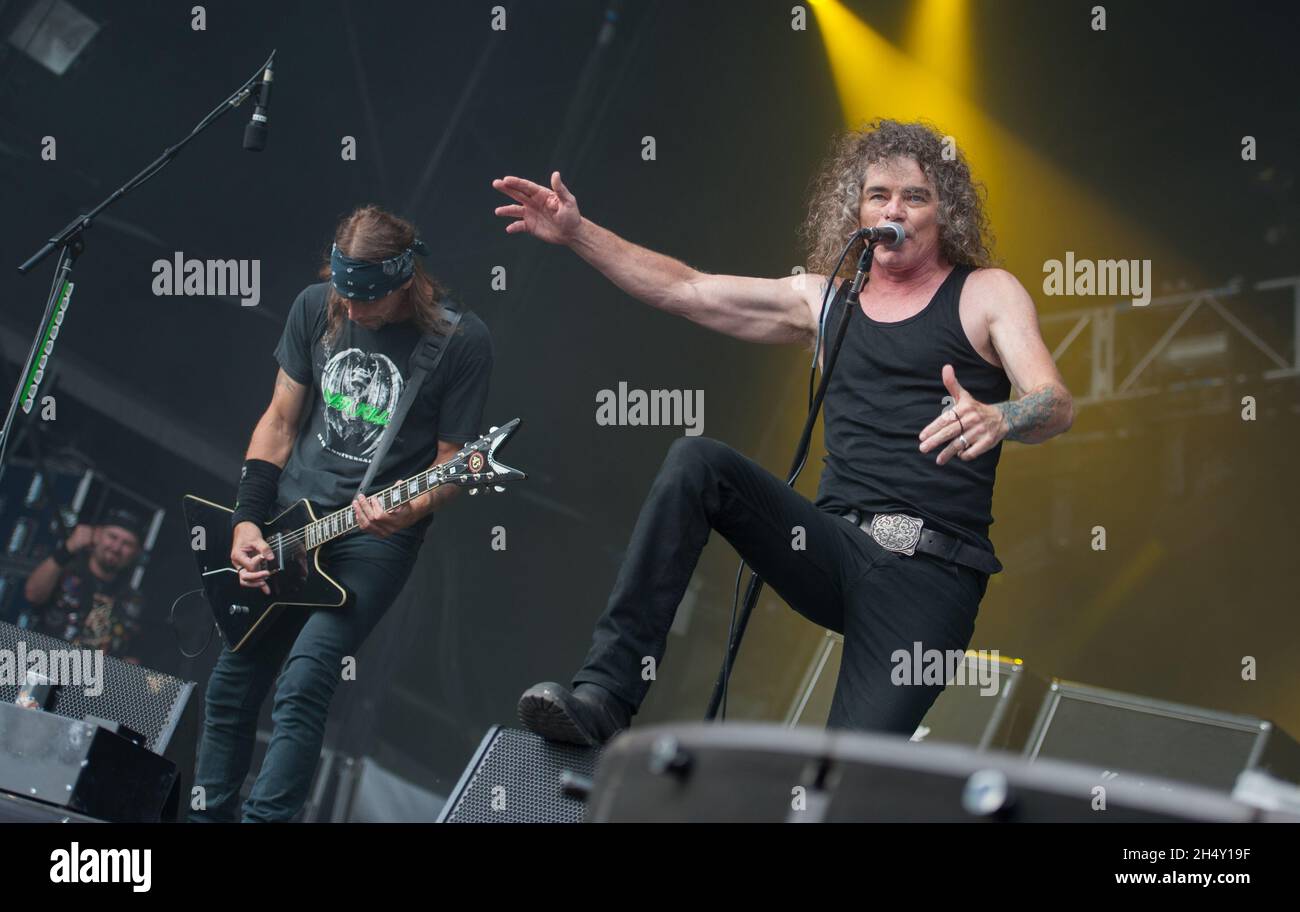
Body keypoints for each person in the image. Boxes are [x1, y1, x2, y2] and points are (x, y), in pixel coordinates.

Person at [493, 118, 1074, 745]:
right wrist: (580, 233)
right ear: (856, 210)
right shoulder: (822, 302)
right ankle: (605, 697)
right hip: (829, 543)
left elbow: (1055, 402)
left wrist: (1002, 415)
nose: (894, 208)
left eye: (915, 196)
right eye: (879, 194)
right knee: (698, 463)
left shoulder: (986, 293)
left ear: (947, 213)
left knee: (843, 780)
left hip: (927, 578)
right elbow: (686, 288)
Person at [188, 205, 494, 822]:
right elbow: (279, 420)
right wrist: (247, 519)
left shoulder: (461, 343)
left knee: (303, 685)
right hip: (289, 523)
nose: (352, 312)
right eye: (343, 293)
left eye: (368, 301)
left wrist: (407, 511)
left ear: (405, 279)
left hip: (373, 538)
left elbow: (458, 465)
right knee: (229, 688)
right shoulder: (315, 307)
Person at [23, 507, 147, 662]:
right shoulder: (65, 569)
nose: (116, 548)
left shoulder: (133, 600)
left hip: (89, 682)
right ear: (97, 535)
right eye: (112, 537)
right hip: (40, 667)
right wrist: (68, 548)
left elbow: (133, 658)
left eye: (127, 543)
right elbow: (32, 594)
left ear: (136, 552)